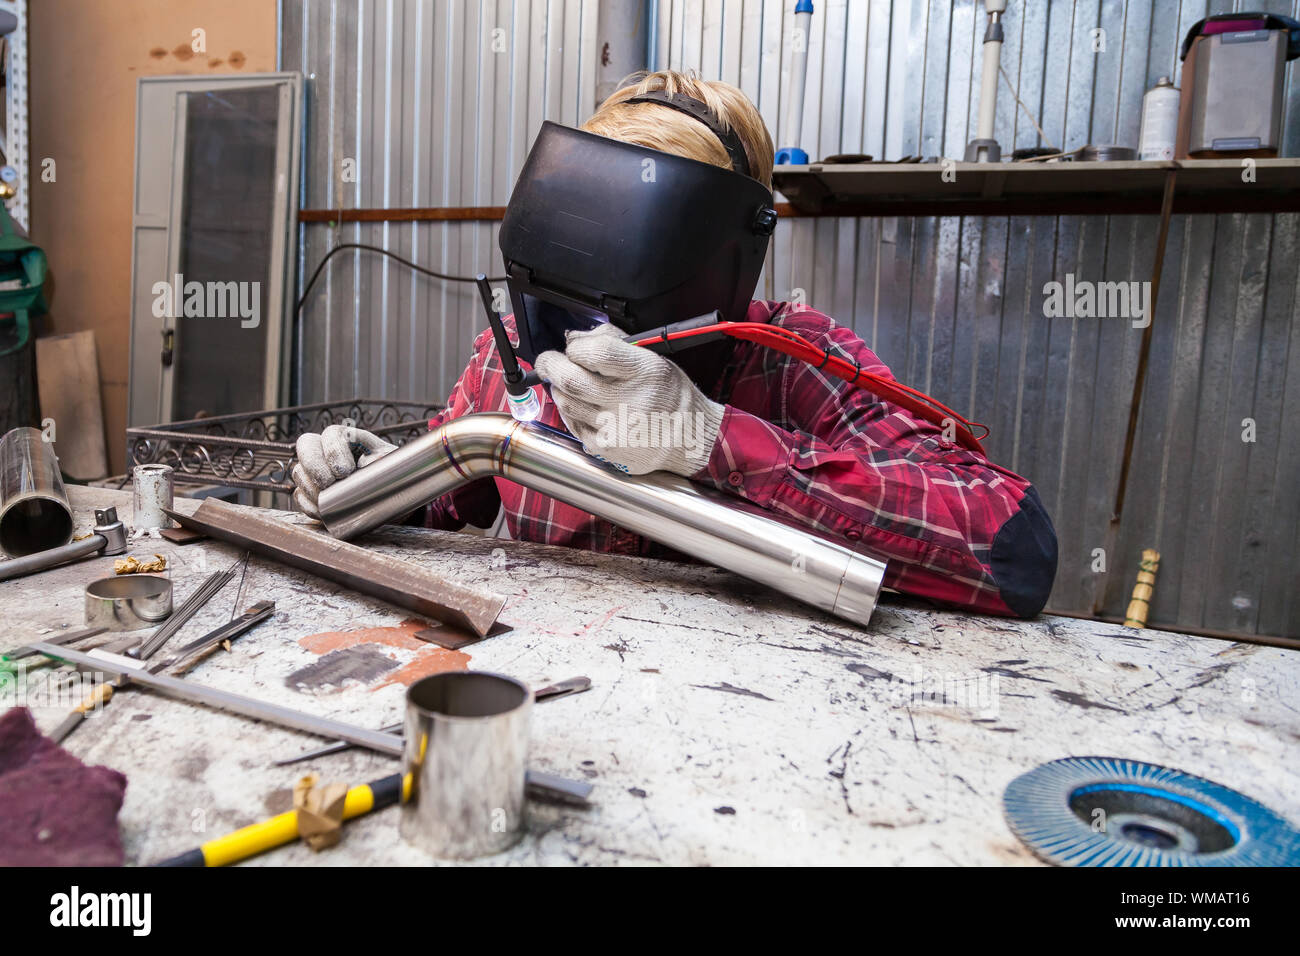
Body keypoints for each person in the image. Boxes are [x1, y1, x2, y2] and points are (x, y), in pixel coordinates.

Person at [293, 70, 1058, 619]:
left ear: (721, 249)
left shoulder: (792, 359)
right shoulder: (514, 356)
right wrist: (367, 484)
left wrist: (708, 439)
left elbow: (1010, 549)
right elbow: (437, 510)